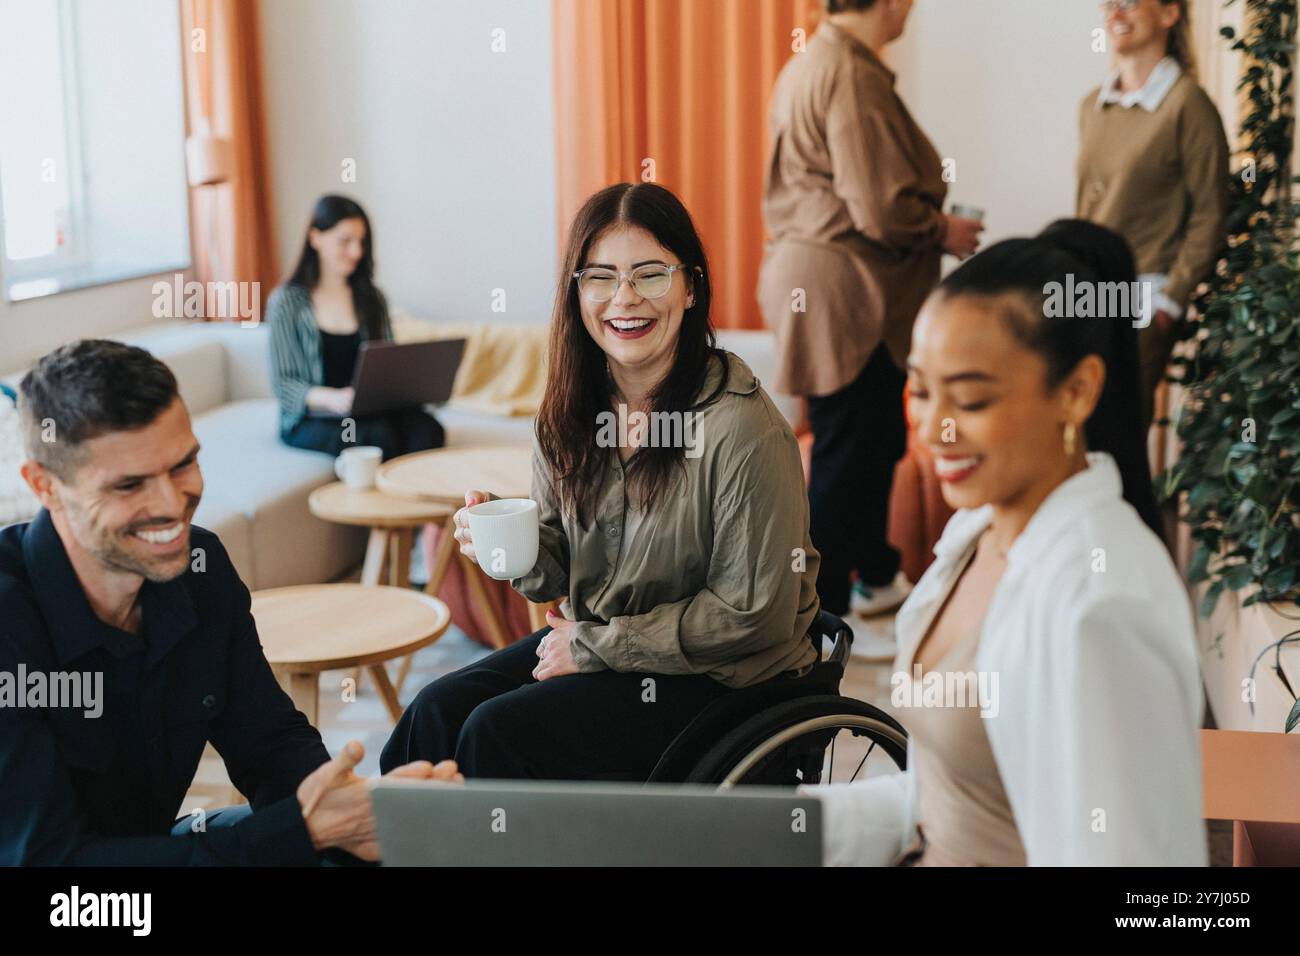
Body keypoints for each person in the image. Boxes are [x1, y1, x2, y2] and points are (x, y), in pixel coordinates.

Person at [381, 182, 822, 780]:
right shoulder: (570, 412)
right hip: (612, 652)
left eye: (650, 274)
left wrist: (595, 647)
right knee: (433, 714)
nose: (625, 298)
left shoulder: (745, 431)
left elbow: (753, 616)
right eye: (601, 276)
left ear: (691, 287)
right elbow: (559, 574)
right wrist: (510, 547)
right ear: (576, 291)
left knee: (496, 734)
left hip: (728, 683)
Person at [806, 221, 1206, 866]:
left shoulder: (1101, 600)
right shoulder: (977, 531)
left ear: (1076, 392)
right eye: (923, 390)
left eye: (967, 398)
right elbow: (957, 792)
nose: (934, 430)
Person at [0, 339, 458, 865]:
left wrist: (343, 810)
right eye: (129, 486)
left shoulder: (200, 567)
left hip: (147, 850)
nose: (172, 506)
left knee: (365, 845)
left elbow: (267, 738)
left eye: (183, 463)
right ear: (45, 486)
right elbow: (49, 864)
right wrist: (300, 830)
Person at [758, 0, 983, 625]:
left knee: (874, 438)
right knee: (847, 457)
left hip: (827, 285)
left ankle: (873, 579)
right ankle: (812, 629)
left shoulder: (815, 63)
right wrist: (943, 228)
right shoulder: (850, 74)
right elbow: (879, 210)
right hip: (843, 292)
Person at [1078, 0, 1230, 429]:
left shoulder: (1188, 106)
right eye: (1108, 3)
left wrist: (1170, 299)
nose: (1115, 12)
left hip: (1144, 294)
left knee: (1118, 432)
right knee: (1075, 431)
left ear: (1169, 14)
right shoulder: (1092, 106)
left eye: (1129, 2)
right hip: (1085, 291)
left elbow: (1210, 213)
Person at [267, 194, 445, 460]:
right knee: (376, 437)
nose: (356, 252)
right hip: (314, 416)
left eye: (361, 242)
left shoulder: (372, 298)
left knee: (427, 429)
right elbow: (285, 385)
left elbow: (388, 363)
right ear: (315, 238)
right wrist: (333, 398)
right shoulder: (287, 302)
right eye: (345, 241)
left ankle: (419, 500)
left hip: (369, 409)